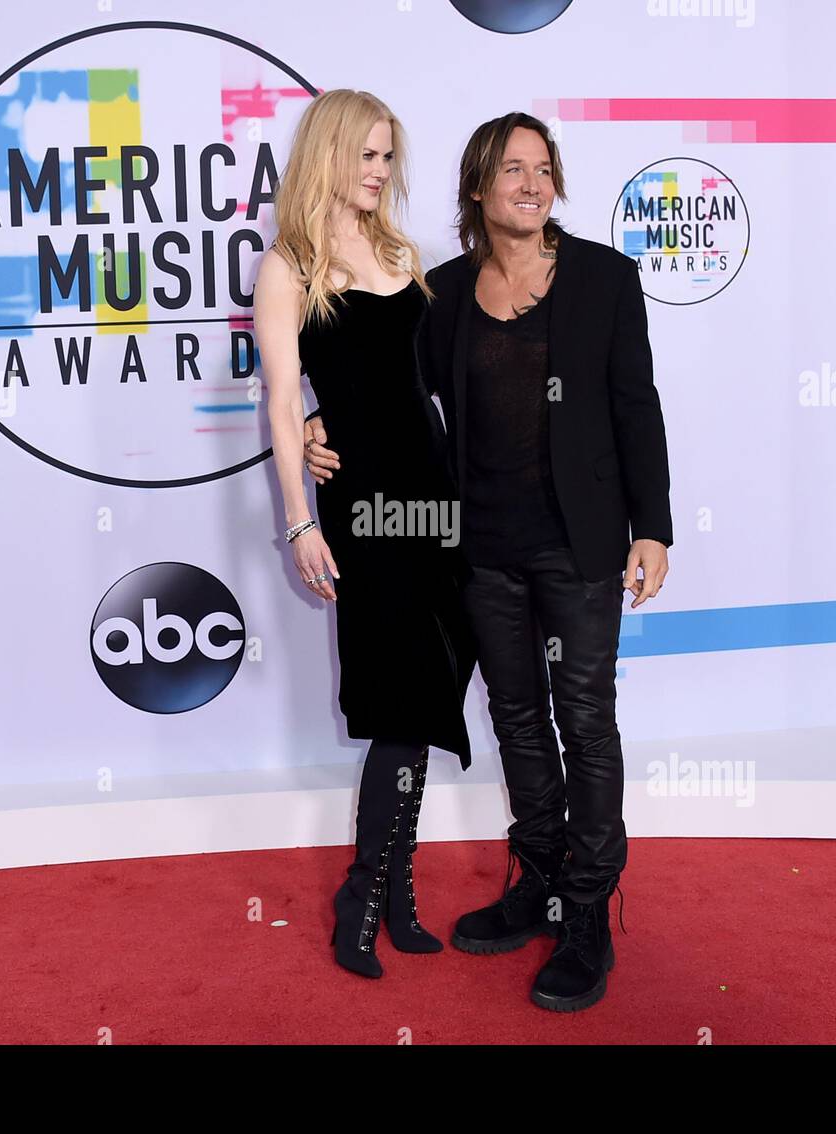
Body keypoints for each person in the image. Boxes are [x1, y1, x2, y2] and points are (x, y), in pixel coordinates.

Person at [304, 112, 673, 1011]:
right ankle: (540, 881)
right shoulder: (446, 292)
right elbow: (387, 388)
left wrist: (652, 526)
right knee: (516, 717)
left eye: (543, 169)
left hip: (580, 548)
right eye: (512, 169)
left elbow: (638, 404)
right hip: (483, 551)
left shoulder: (604, 279)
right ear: (477, 187)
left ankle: (588, 910)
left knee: (584, 720)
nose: (531, 184)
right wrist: (323, 423)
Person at [256, 89, 476, 980]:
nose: (381, 172)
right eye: (367, 156)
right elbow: (279, 401)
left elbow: (422, 385)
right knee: (398, 701)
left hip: (437, 501)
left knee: (424, 704)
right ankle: (365, 892)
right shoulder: (291, 264)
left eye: (389, 157)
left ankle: (392, 889)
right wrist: (299, 518)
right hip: (366, 511)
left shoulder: (400, 253)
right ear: (330, 155)